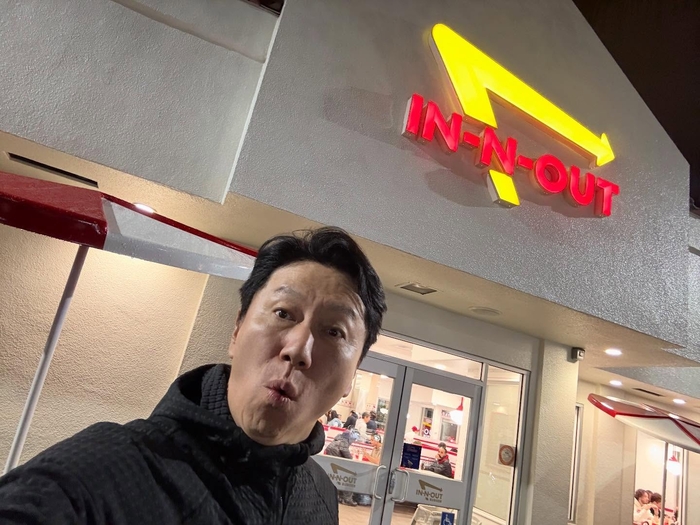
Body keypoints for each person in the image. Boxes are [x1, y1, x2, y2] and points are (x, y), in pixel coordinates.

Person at [0, 227, 387, 525]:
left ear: (352, 377)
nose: (298, 350)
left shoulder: (320, 497)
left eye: (334, 331)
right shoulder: (106, 471)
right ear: (236, 331)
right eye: (283, 313)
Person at [325, 430, 360, 507]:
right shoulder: (344, 441)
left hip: (332, 463)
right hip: (336, 463)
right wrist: (351, 459)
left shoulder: (337, 439)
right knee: (349, 477)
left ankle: (341, 497)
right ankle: (347, 499)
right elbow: (344, 450)